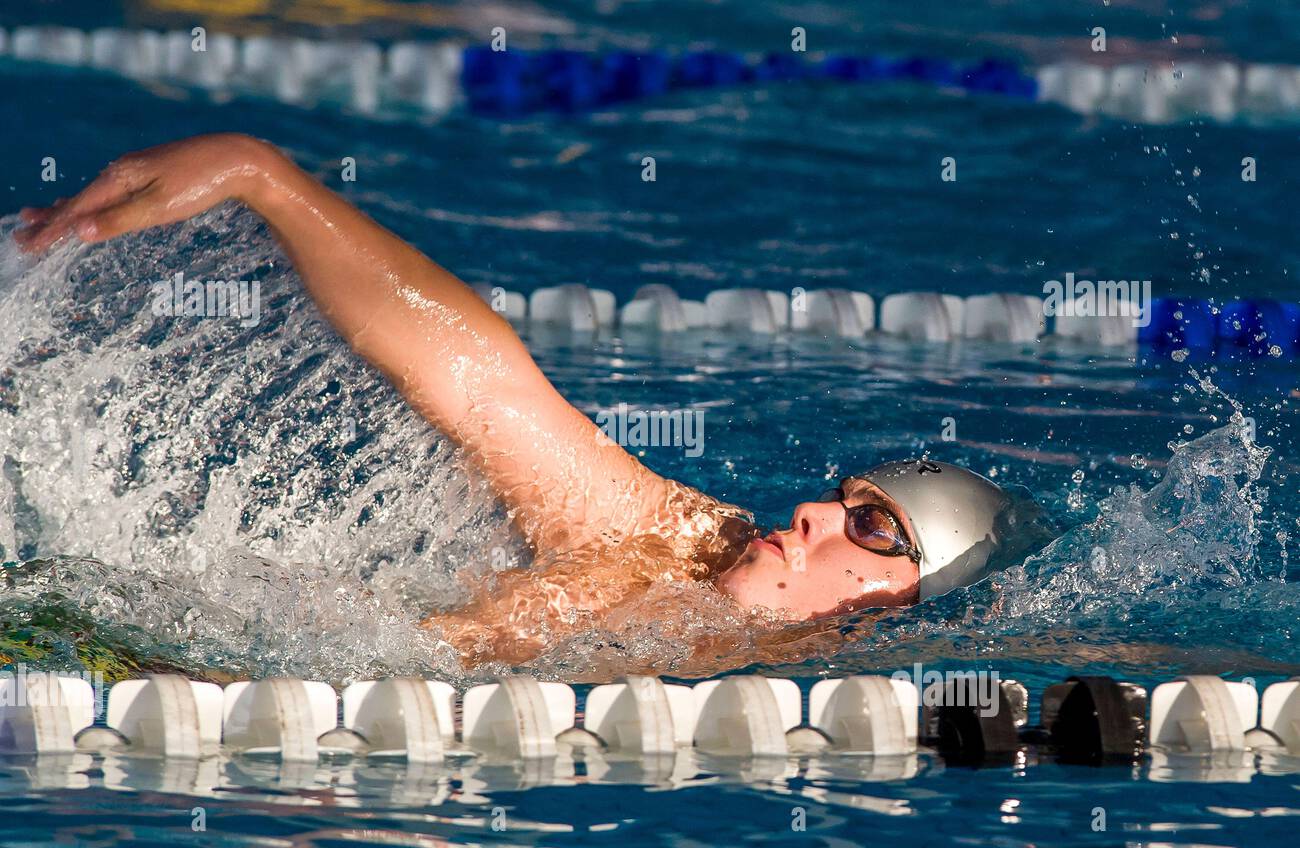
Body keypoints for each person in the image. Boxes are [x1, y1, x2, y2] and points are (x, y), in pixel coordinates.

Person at [14, 133, 1053, 667]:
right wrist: (264, 176)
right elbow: (478, 379)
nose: (814, 512)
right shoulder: (664, 539)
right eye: (843, 496)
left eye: (872, 525)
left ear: (909, 608)